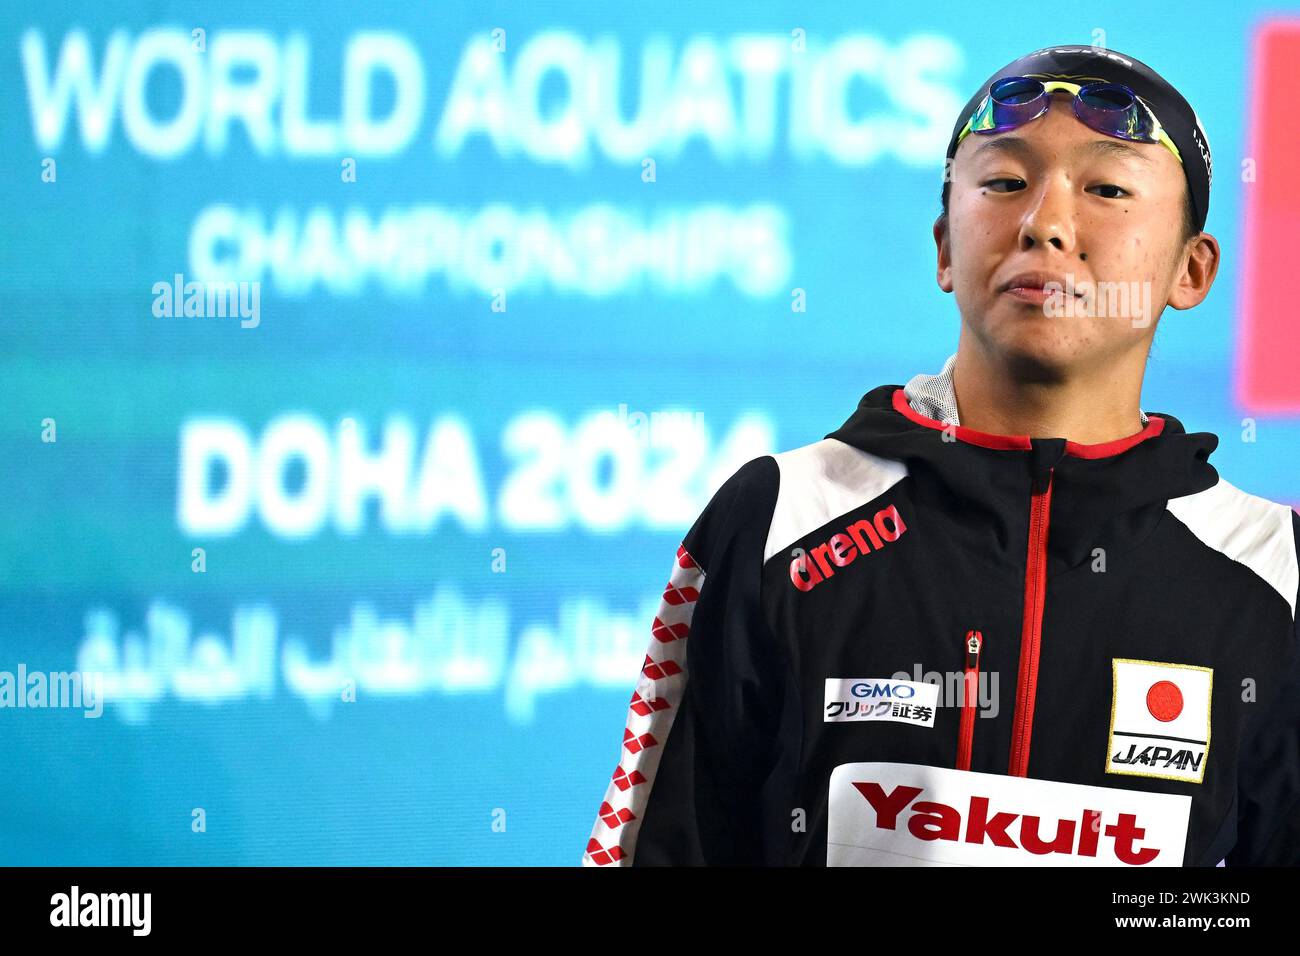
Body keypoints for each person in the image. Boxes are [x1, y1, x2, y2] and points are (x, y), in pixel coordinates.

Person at [581, 44, 1300, 867]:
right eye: (1003, 184)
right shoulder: (783, 517)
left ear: (1192, 268)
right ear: (945, 250)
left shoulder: (1277, 576)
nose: (1045, 223)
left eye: (1107, 188)